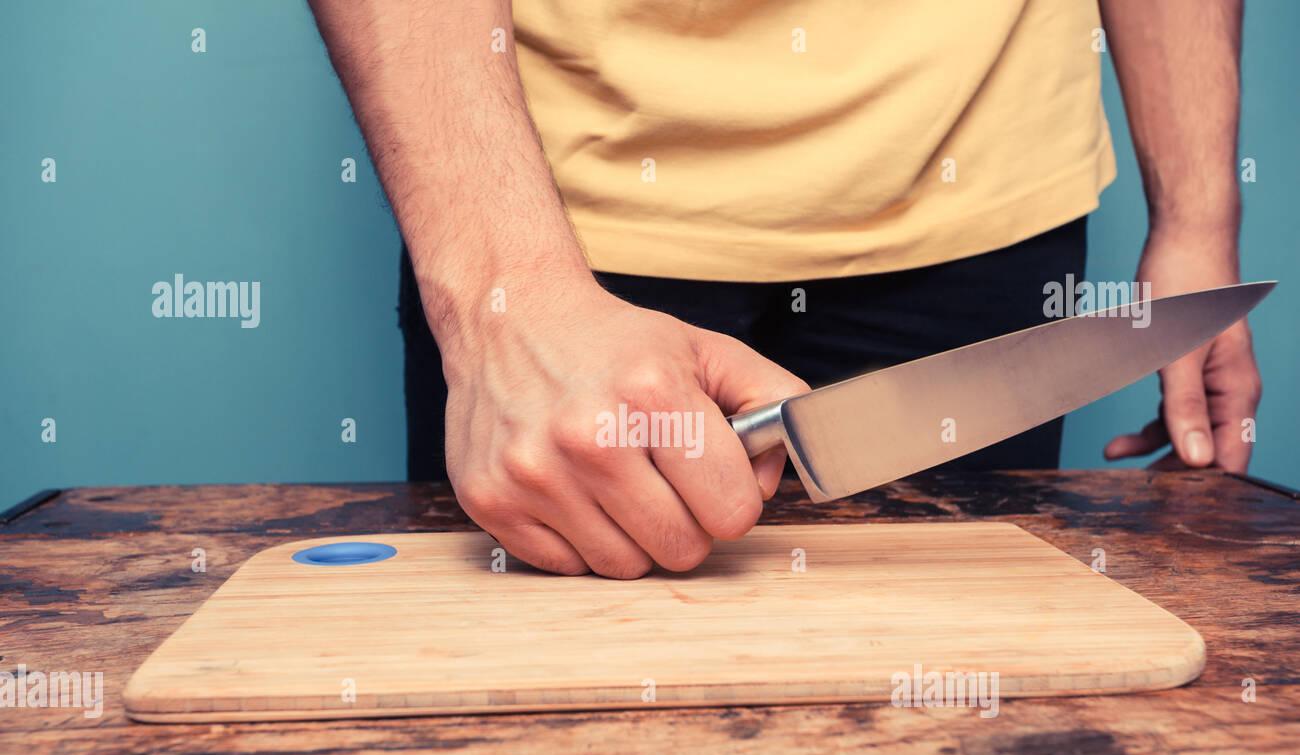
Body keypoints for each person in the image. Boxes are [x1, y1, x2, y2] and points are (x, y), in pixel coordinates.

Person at [308, 0, 1259, 578]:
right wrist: (503, 290)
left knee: (960, 728)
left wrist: (1197, 217)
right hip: (551, 227)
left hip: (986, 198)